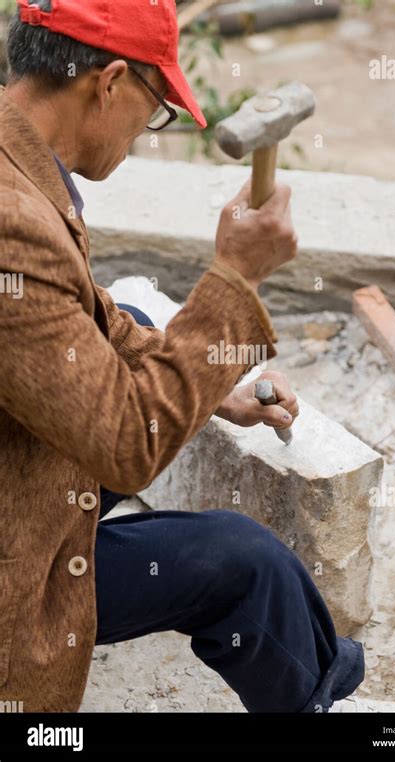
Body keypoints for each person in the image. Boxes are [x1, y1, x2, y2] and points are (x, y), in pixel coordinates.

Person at [0, 0, 365, 713]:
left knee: (132, 323)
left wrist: (212, 379)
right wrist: (234, 280)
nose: (145, 133)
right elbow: (129, 447)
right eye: (156, 106)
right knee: (242, 560)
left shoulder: (17, 159)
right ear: (107, 83)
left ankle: (322, 670)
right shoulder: (13, 225)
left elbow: (91, 317)